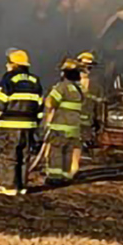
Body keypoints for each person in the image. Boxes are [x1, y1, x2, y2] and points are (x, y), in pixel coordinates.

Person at [0, 48, 43, 196]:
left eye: (8, 62)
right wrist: (36, 123)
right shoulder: (35, 81)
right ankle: (22, 186)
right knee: (24, 156)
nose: (6, 65)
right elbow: (40, 105)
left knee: (9, 155)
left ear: (14, 64)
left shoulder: (9, 79)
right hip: (29, 126)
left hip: (9, 125)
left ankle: (9, 186)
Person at [43, 58, 85, 186]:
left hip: (60, 127)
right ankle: (66, 176)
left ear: (64, 73)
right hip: (74, 128)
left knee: (56, 151)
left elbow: (50, 103)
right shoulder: (79, 89)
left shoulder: (62, 87)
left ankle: (55, 177)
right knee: (68, 152)